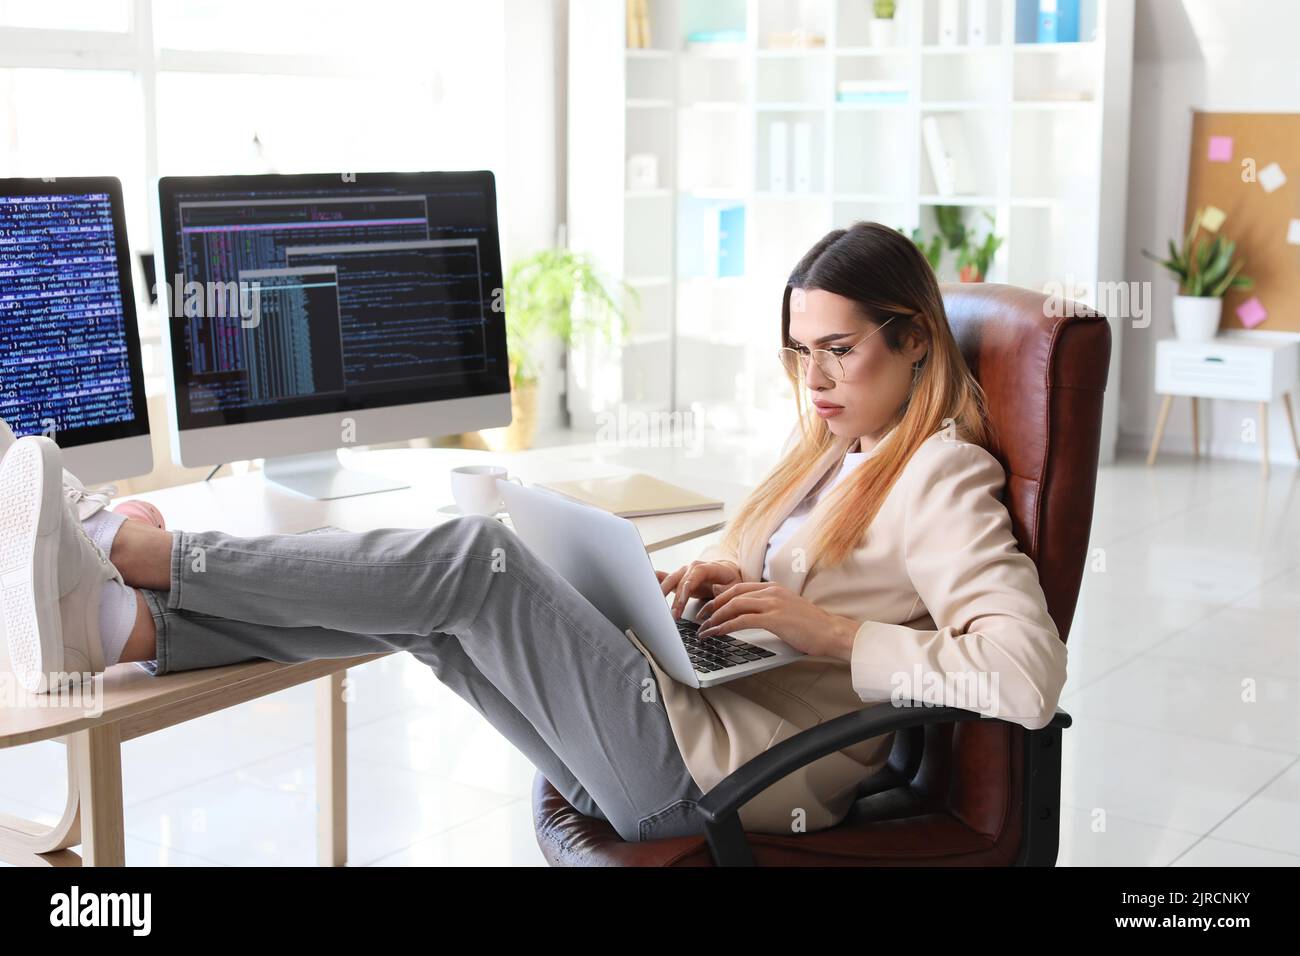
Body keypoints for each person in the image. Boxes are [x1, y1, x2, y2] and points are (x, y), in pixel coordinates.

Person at [0, 221, 1066, 843]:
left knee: (473, 561)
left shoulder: (940, 472)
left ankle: (141, 552)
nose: (815, 379)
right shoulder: (836, 450)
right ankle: (125, 628)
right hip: (688, 718)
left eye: (839, 350)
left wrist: (825, 633)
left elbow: (1026, 676)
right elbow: (796, 577)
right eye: (799, 353)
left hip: (722, 778)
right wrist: (714, 575)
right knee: (432, 612)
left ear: (914, 340)